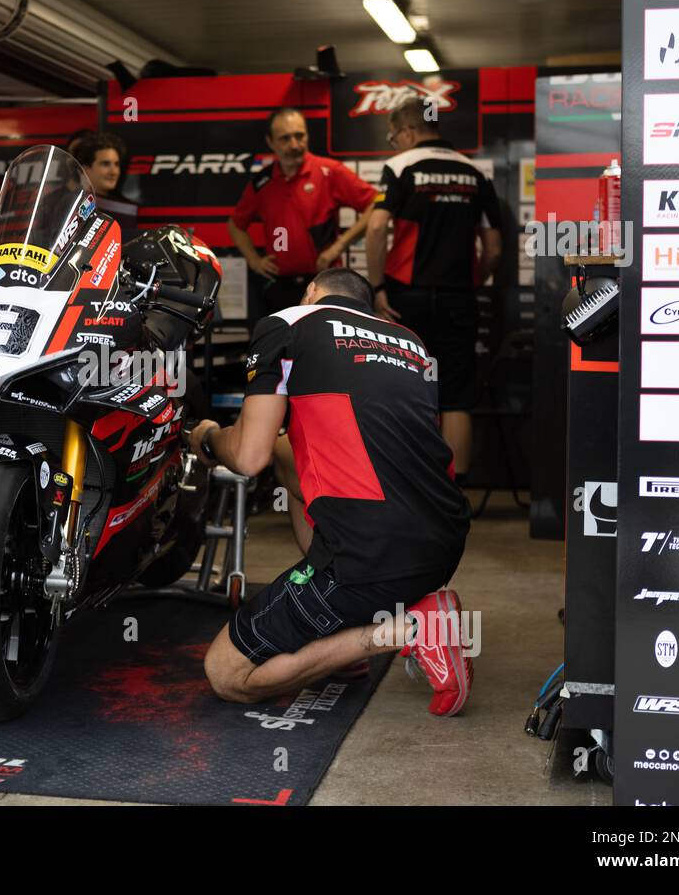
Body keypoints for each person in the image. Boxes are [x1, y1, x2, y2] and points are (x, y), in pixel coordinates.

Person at [188, 267, 473, 715]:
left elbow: (247, 457)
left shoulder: (288, 323)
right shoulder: (410, 342)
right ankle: (340, 634)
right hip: (442, 542)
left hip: (371, 556)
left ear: (311, 292)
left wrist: (206, 437)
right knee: (288, 453)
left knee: (228, 674)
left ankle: (409, 628)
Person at [365, 97, 503, 485]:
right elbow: (493, 248)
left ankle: (404, 484)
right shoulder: (476, 172)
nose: (395, 144)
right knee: (456, 395)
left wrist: (376, 287)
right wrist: (471, 284)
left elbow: (375, 229)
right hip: (459, 296)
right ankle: (453, 492)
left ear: (408, 131)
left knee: (400, 387)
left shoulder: (400, 166)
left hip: (405, 298)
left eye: (394, 137)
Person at [228, 107, 377, 321]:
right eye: (285, 138)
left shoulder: (329, 171)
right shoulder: (263, 182)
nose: (295, 145)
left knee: (322, 351)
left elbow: (376, 203)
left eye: (300, 136)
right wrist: (254, 261)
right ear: (270, 142)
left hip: (324, 286)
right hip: (280, 287)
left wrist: (339, 245)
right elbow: (235, 225)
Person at [70, 130, 138, 238]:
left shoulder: (126, 209)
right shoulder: (70, 204)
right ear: (86, 168)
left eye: (116, 164)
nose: (113, 172)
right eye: (105, 164)